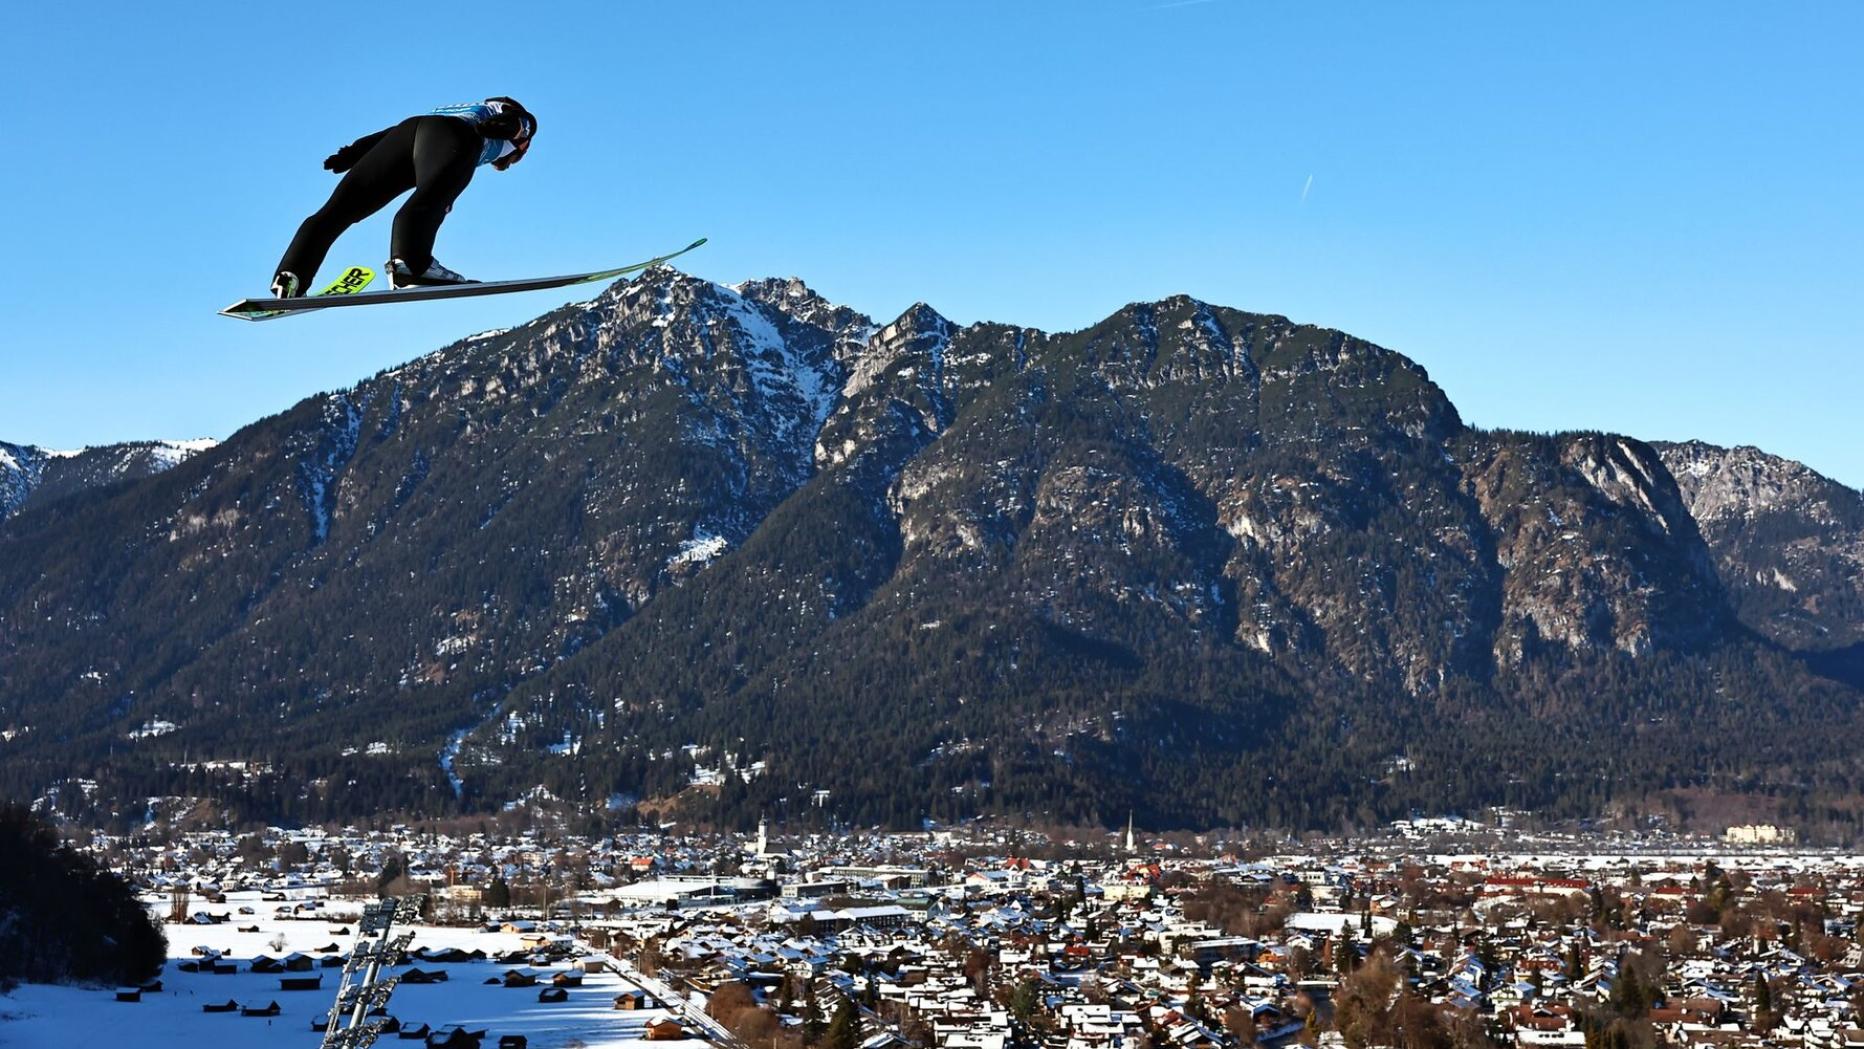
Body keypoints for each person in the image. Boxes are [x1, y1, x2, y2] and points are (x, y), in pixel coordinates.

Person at [270, 97, 536, 297]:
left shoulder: (462, 107)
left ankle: (291, 275)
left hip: (407, 134)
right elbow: (525, 123)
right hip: (454, 136)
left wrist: (354, 151)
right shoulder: (510, 122)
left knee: (337, 211)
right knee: (425, 203)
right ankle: (412, 265)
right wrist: (515, 126)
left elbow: (393, 132)